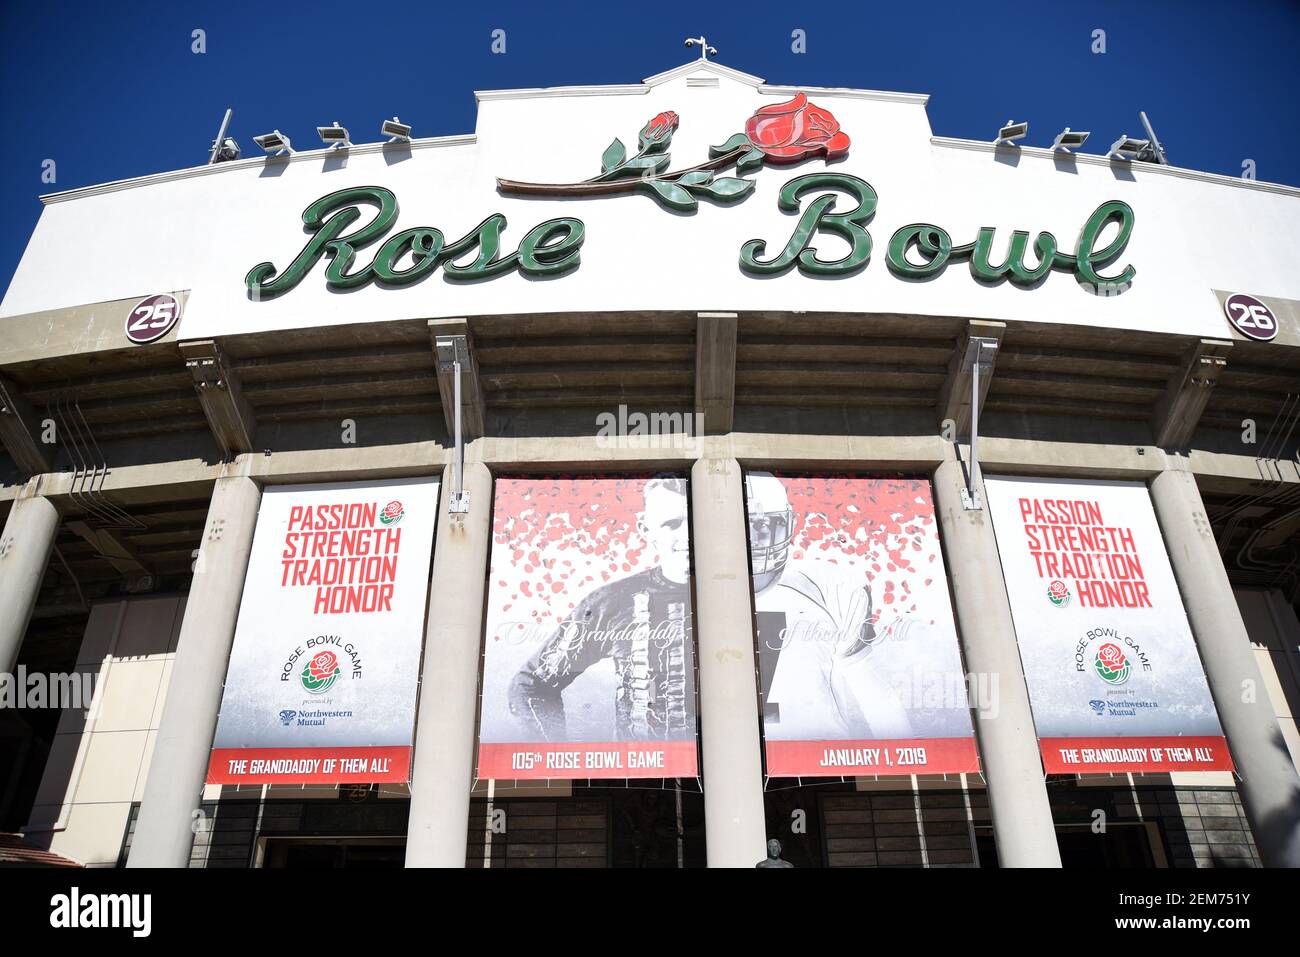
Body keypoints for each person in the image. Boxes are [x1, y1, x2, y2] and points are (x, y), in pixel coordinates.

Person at [508, 476, 694, 741]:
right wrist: (554, 759)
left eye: (697, 522)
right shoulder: (613, 601)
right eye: (672, 524)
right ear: (646, 529)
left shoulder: (750, 595)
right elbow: (531, 685)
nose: (687, 535)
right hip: (641, 775)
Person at [746, 471, 913, 742]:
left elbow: (873, 692)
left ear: (788, 525)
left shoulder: (827, 587)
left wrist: (906, 759)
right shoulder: (685, 595)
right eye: (745, 525)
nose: (755, 537)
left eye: (765, 523)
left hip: (821, 757)